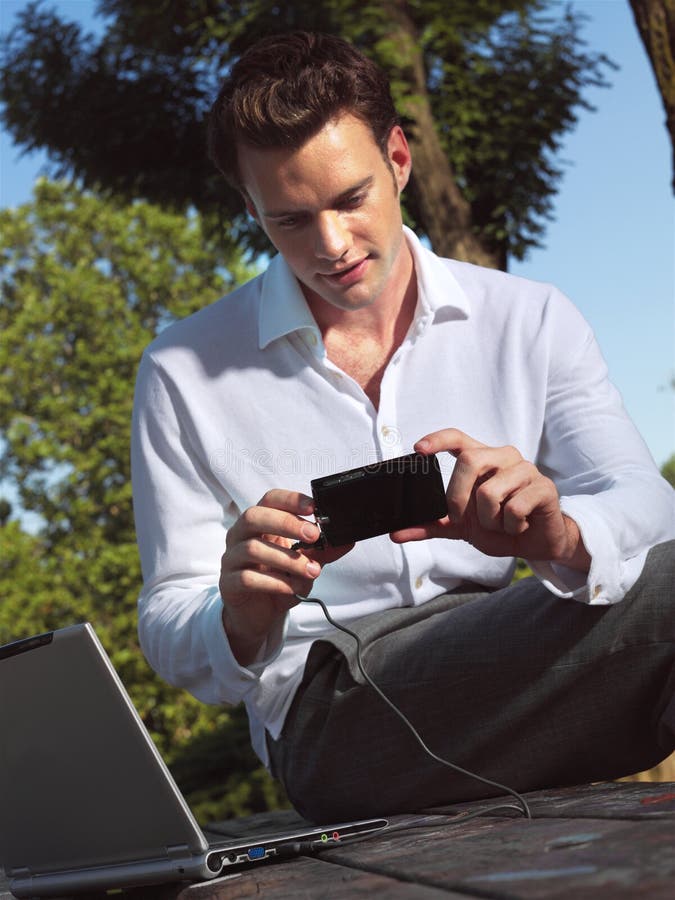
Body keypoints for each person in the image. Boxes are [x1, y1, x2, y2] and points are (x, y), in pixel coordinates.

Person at [131, 31, 675, 822]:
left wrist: (557, 534)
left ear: (397, 158)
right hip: (332, 712)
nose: (331, 246)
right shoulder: (182, 369)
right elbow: (167, 618)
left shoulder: (527, 318)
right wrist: (238, 613)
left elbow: (646, 505)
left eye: (350, 199)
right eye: (289, 220)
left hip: (513, 656)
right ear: (250, 208)